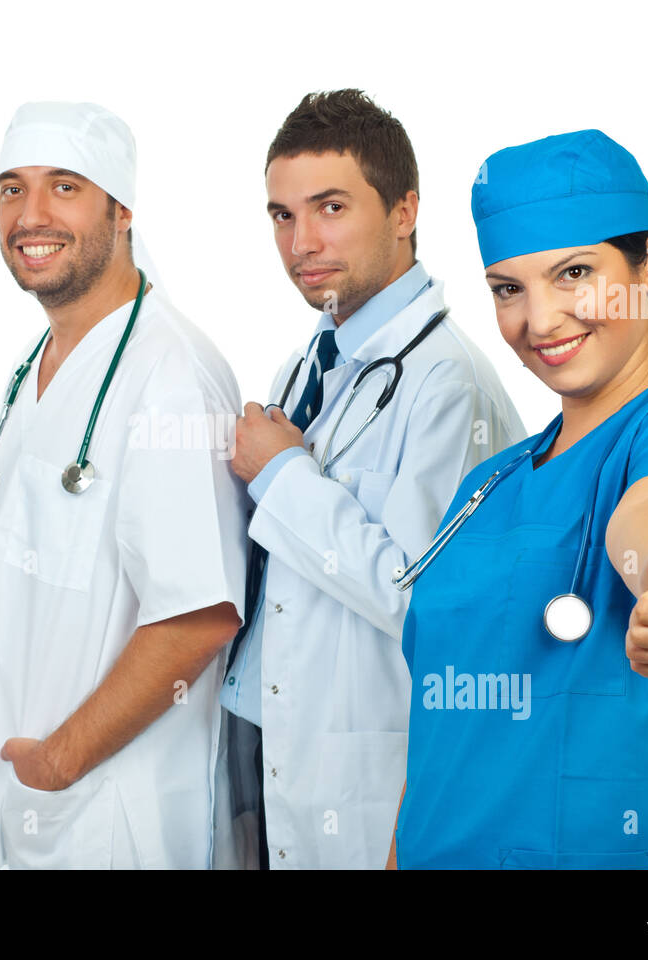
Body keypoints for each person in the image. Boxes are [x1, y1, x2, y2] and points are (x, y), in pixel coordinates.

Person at [389, 129, 648, 869]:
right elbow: (438, 732)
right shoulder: (487, 484)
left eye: (574, 274)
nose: (540, 321)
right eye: (508, 289)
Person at [218, 89, 524, 869]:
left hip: (368, 784)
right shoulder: (310, 362)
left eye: (329, 207)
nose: (301, 242)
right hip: (272, 746)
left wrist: (284, 475)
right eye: (282, 215)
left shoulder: (450, 386)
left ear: (404, 210)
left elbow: (433, 600)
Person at [0, 102, 247, 869]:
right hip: (19, 786)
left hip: (110, 815)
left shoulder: (170, 375)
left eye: (64, 188)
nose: (30, 215)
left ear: (122, 210)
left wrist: (60, 761)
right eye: (11, 189)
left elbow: (198, 617)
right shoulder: (36, 365)